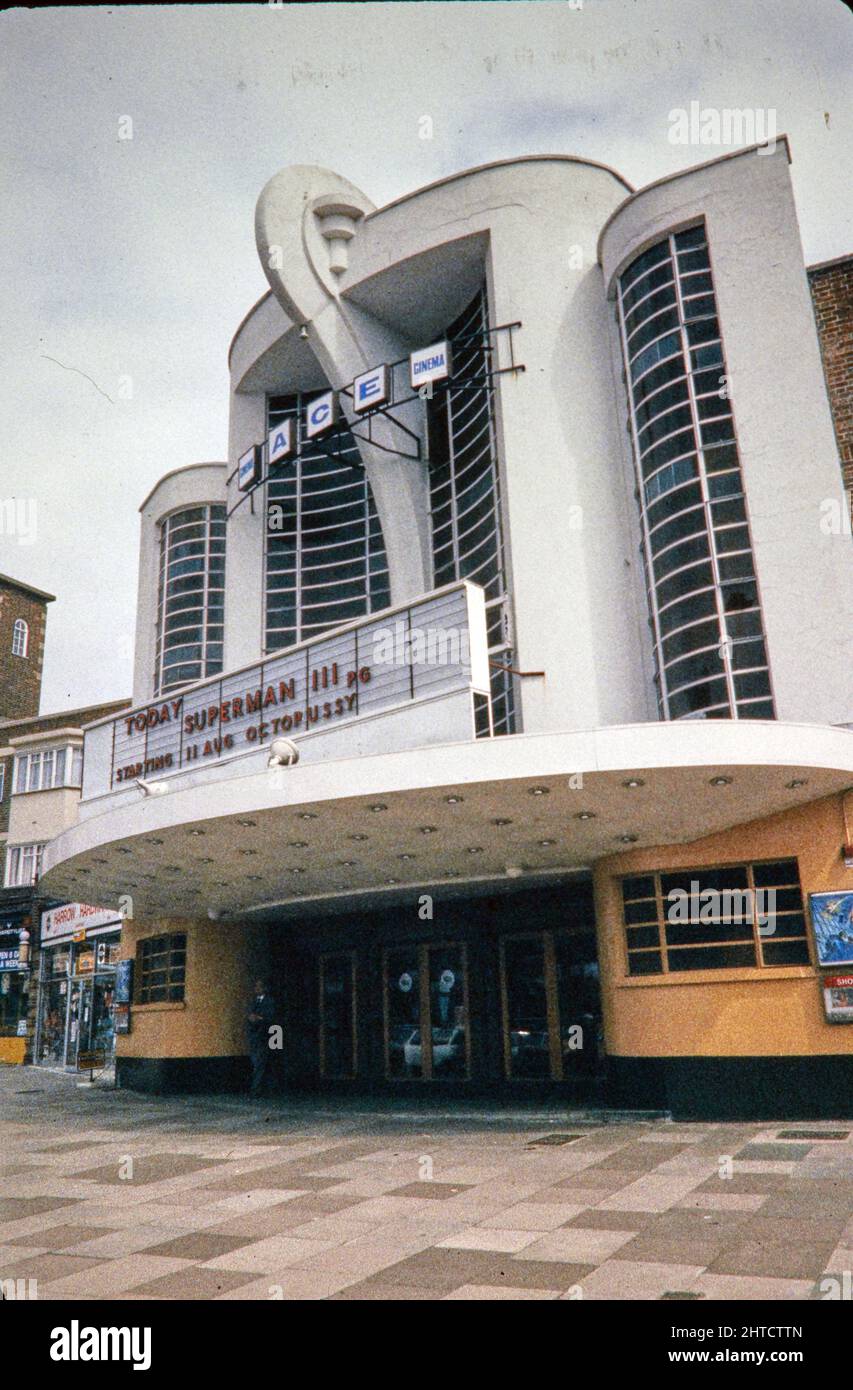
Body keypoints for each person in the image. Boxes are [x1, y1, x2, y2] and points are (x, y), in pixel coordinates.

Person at [246, 978, 276, 1097]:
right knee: (257, 1063)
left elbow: (271, 1017)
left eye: (259, 987)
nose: (256, 989)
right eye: (255, 987)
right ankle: (261, 1089)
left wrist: (258, 1018)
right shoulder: (253, 1002)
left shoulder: (270, 1001)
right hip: (255, 1037)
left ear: (265, 988)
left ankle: (256, 1090)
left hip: (264, 1036)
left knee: (260, 1063)